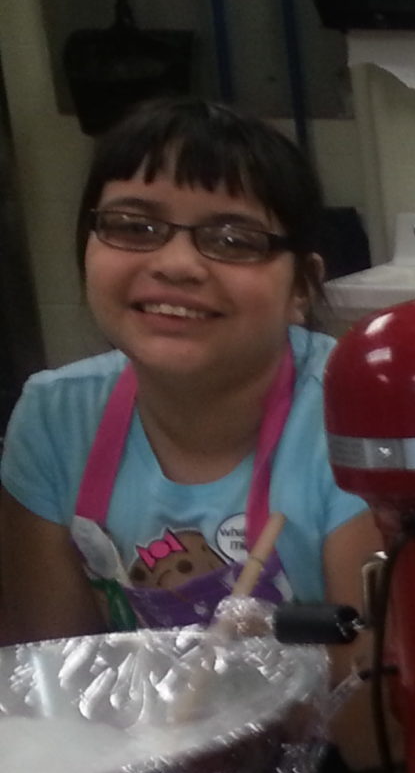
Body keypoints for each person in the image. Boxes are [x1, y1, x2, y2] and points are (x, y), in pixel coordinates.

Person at [2, 99, 373, 648]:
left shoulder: (356, 418)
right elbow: (51, 669)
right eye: (134, 227)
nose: (176, 265)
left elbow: (369, 687)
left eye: (232, 240)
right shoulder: (55, 418)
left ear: (301, 287)